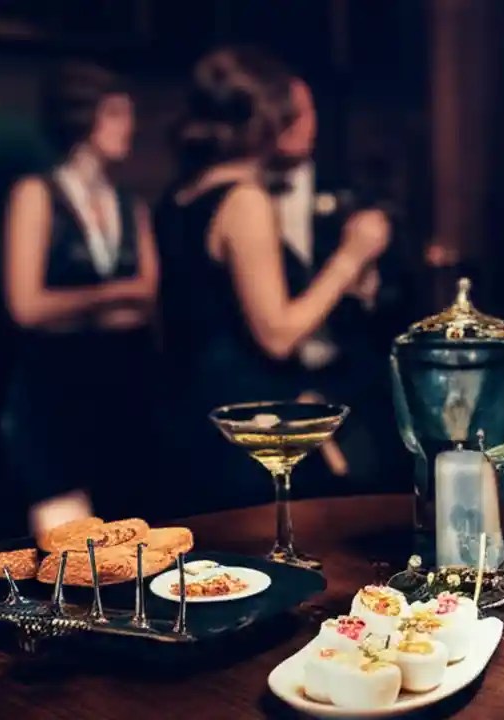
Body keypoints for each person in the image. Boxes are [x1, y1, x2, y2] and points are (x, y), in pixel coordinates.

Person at [155, 47, 390, 512]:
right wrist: (351, 256)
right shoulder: (245, 200)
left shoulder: (181, 195)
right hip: (245, 429)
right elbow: (278, 333)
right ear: (264, 118)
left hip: (192, 411)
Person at [2, 62, 159, 534]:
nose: (127, 125)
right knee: (67, 544)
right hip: (56, 384)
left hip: (125, 380)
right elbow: (26, 305)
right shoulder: (37, 193)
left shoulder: (130, 203)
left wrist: (75, 300)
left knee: (131, 536)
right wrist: (114, 293)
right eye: (115, 113)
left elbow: (149, 293)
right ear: (79, 117)